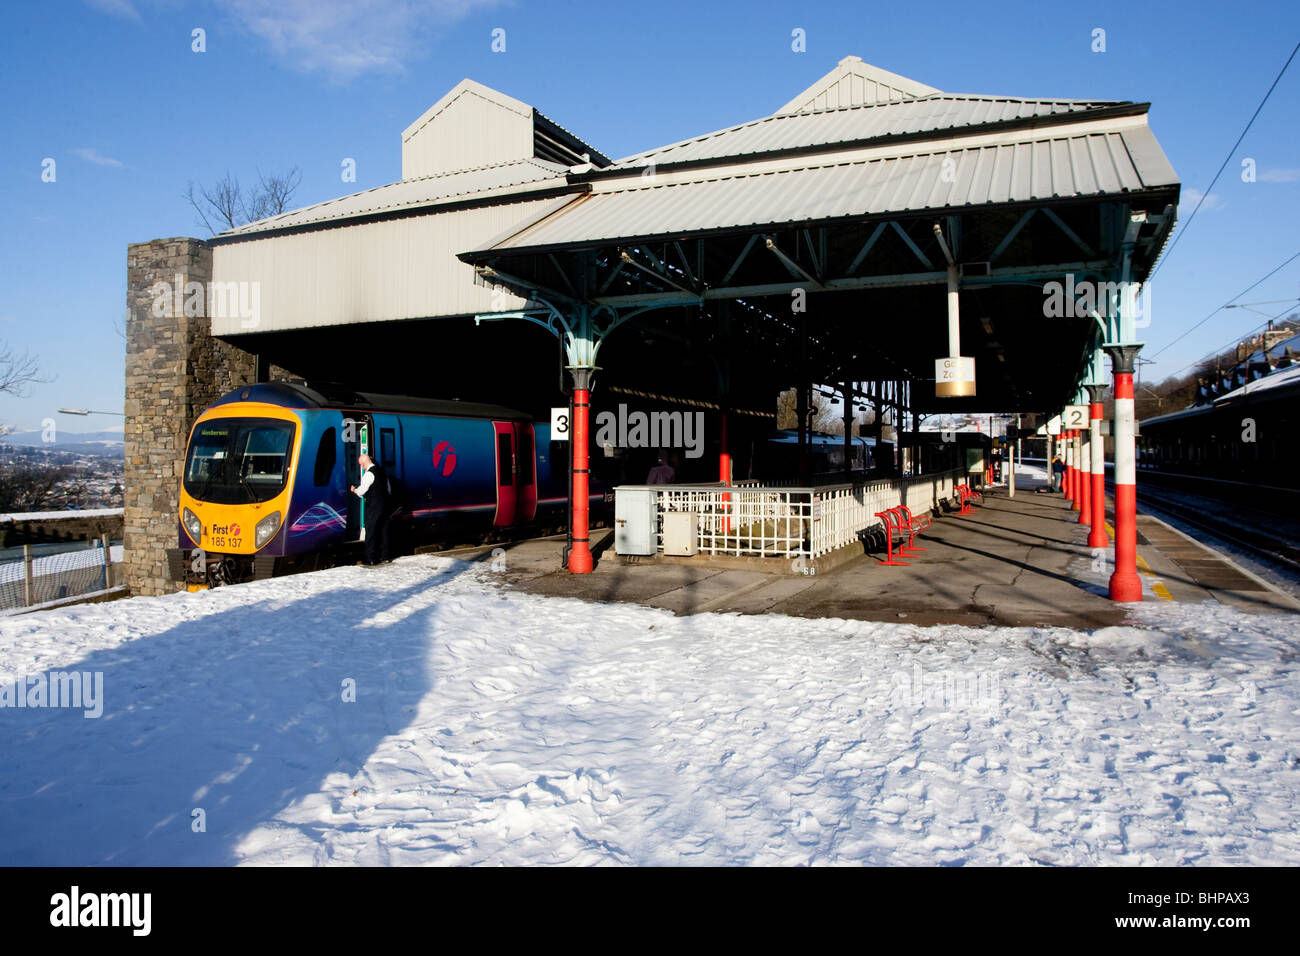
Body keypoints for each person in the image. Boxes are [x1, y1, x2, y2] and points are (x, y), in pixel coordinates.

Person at [350, 453, 391, 564]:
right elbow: (388, 490)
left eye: (361, 465)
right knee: (384, 531)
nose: (361, 467)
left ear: (363, 464)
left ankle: (371, 559)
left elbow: (362, 491)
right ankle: (385, 556)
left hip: (373, 507)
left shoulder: (368, 474)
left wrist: (354, 490)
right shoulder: (383, 472)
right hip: (385, 506)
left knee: (371, 532)